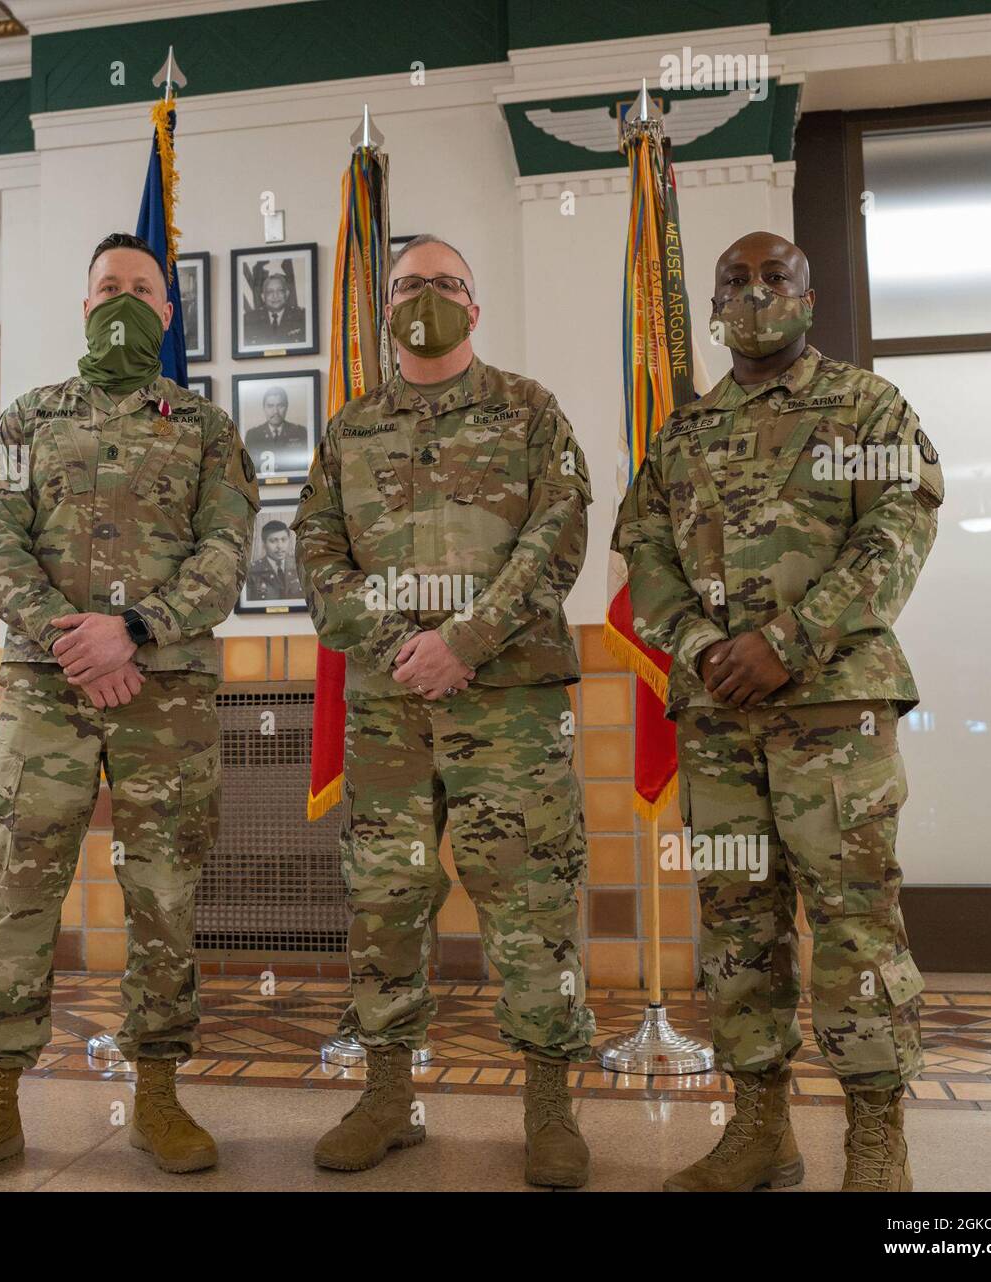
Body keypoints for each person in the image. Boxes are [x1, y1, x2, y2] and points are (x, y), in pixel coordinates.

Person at [0, 231, 258, 1186]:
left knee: (165, 894)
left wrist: (134, 630)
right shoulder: (27, 418)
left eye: (139, 290)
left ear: (167, 311)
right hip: (45, 689)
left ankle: (156, 1095)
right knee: (22, 889)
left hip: (166, 694)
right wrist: (78, 640)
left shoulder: (205, 429)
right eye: (106, 286)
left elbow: (226, 557)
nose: (121, 301)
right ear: (83, 304)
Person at [612, 230, 943, 1193]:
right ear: (713, 304)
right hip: (718, 722)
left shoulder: (867, 407)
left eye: (775, 277)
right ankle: (760, 1129)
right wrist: (703, 649)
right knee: (735, 923)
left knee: (855, 923)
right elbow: (646, 558)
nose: (754, 293)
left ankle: (876, 1141)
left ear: (808, 294)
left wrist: (786, 643)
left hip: (833, 711)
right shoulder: (682, 435)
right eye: (734, 281)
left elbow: (896, 534)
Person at [293, 234, 595, 1187]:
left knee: (531, 898)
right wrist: (397, 650)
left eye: (446, 283)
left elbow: (560, 531)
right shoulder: (349, 430)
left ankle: (549, 1107)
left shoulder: (530, 410)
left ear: (477, 304)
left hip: (509, 701)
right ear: (385, 308)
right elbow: (316, 554)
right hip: (389, 712)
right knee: (384, 900)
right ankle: (388, 1097)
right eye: (408, 285)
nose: (426, 297)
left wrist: (465, 642)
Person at [246, 386, 309, 476]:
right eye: (270, 406)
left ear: (286, 406)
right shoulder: (252, 435)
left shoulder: (300, 432)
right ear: (264, 408)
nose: (275, 411)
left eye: (280, 405)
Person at [245, 271, 306, 346]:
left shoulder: (302, 317)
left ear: (286, 294)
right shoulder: (249, 320)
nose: (275, 296)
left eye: (280, 291)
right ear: (263, 297)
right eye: (270, 292)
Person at [247, 519, 300, 601]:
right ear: (264, 544)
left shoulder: (300, 565)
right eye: (273, 541)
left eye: (284, 539)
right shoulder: (252, 570)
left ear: (289, 540)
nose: (280, 546)